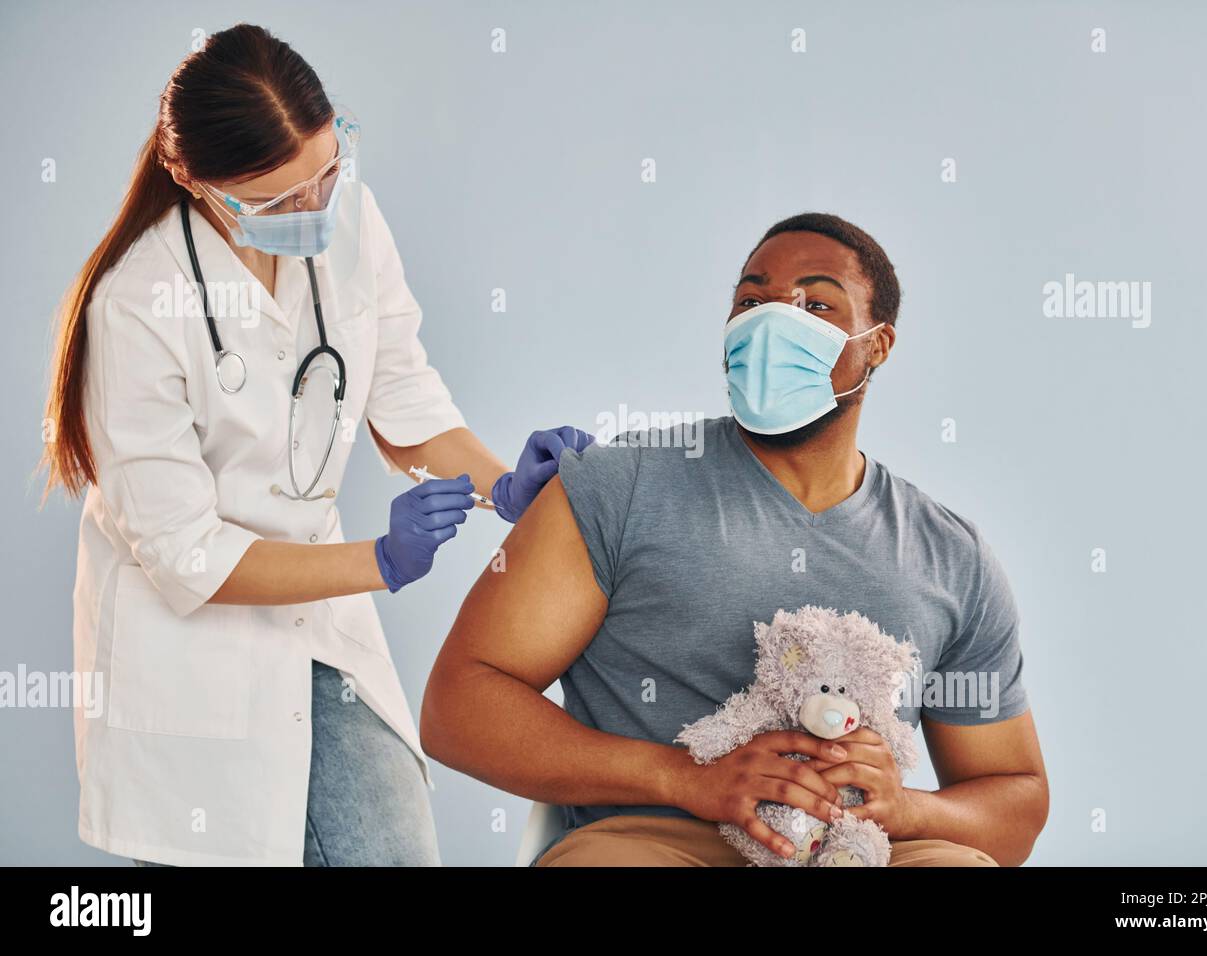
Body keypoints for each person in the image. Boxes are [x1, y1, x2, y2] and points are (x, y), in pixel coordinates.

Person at [41, 24, 589, 867]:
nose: (315, 213)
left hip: (321, 627)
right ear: (190, 177)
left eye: (328, 172)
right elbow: (186, 553)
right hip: (189, 655)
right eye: (275, 202)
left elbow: (403, 396)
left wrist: (503, 487)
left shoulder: (352, 218)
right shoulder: (138, 305)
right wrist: (381, 560)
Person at [421, 213, 1049, 867]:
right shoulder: (618, 485)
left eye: (816, 303)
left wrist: (902, 806)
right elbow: (459, 705)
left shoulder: (950, 557)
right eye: (751, 301)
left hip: (855, 850)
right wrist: (684, 777)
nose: (773, 321)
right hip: (655, 840)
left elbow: (1016, 802)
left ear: (879, 343)